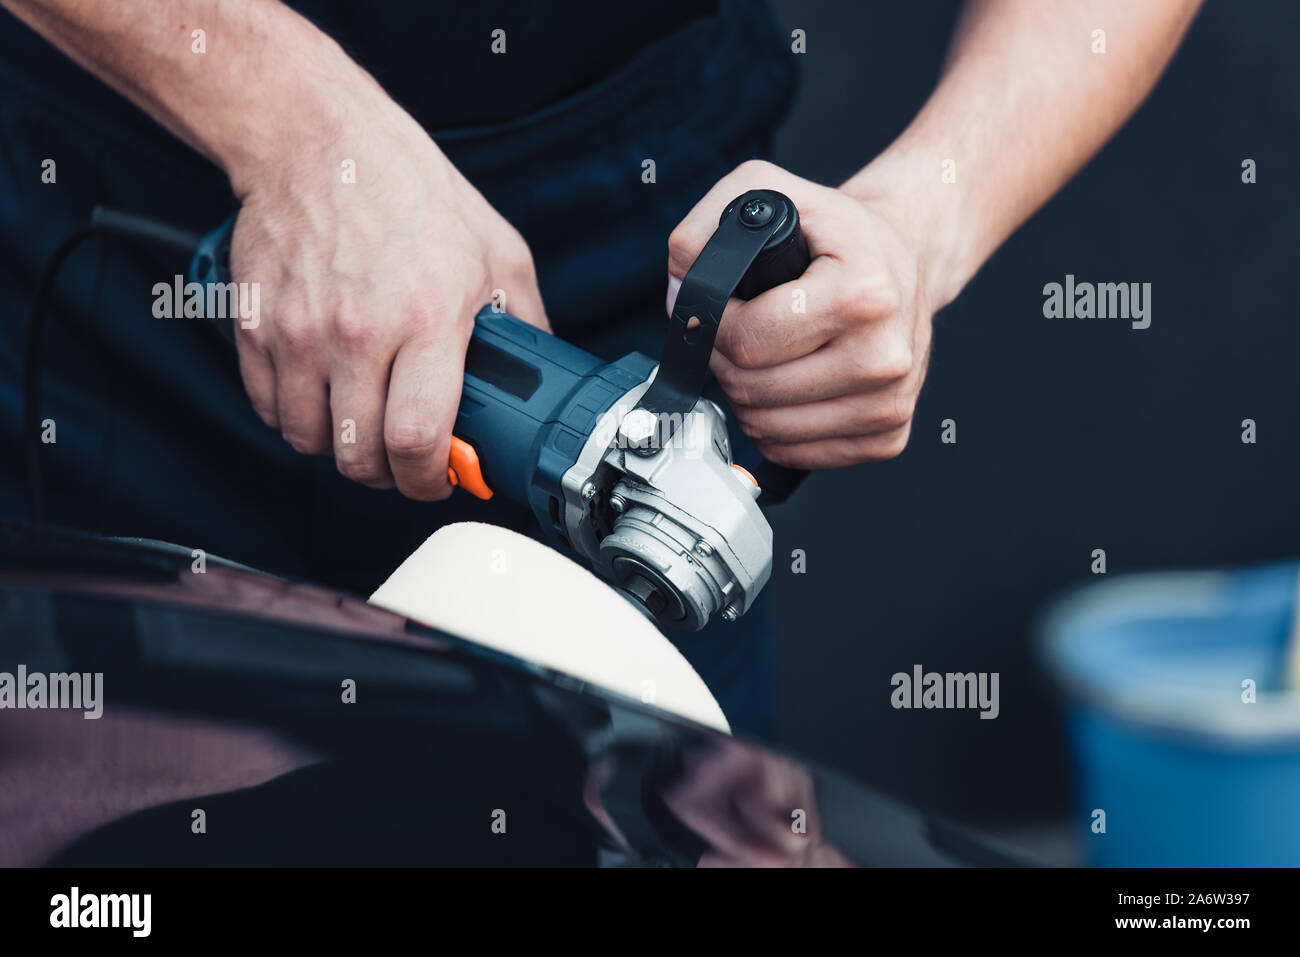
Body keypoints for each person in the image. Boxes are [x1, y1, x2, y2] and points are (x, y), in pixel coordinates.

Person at [0, 0, 1201, 737]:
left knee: (616, 821)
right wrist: (291, 123)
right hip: (125, 222)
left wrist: (922, 218)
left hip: (639, 204)